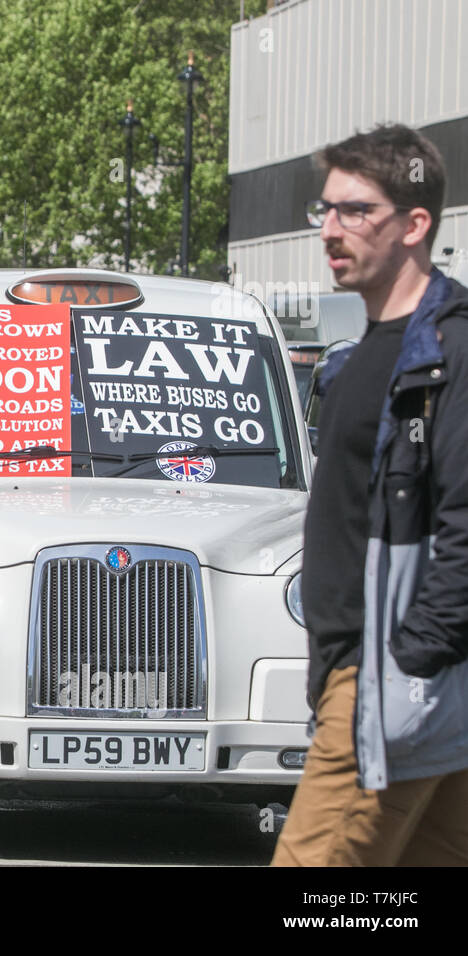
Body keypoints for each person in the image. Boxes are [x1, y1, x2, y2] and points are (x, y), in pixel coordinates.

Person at [272, 124, 468, 866]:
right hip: (383, 680)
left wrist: (405, 667)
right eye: (324, 210)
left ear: (416, 225)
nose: (330, 230)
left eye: (357, 211)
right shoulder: (364, 355)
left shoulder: (447, 352)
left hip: (388, 680)